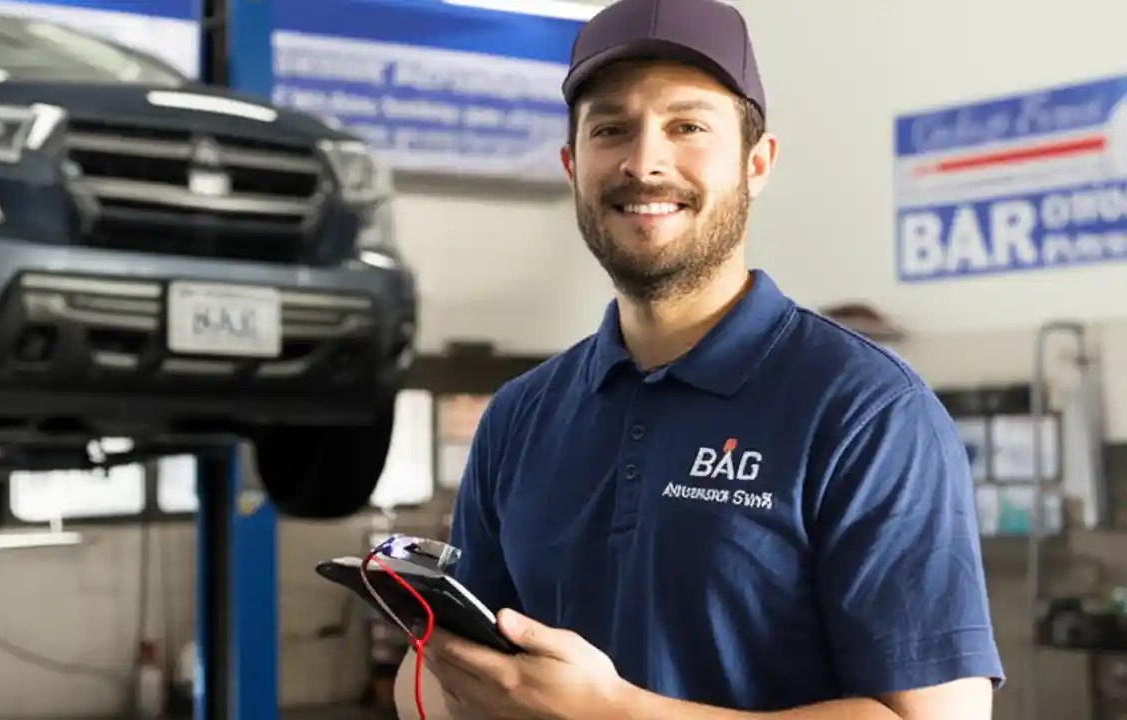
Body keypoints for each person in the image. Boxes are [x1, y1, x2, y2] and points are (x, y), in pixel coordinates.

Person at [394, 0, 1005, 717]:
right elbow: (445, 679)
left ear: (757, 163)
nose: (644, 161)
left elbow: (933, 716)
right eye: (610, 128)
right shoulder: (521, 416)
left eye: (687, 127)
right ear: (571, 165)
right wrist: (430, 679)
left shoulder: (868, 412)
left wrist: (612, 712)